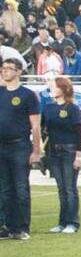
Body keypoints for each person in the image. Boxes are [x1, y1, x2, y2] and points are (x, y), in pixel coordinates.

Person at [0, 55, 41, 241]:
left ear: (18, 72)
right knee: (5, 189)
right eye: (3, 68)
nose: (4, 70)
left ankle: (23, 227)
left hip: (20, 145)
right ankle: (8, 226)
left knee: (21, 188)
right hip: (2, 146)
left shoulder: (27, 95)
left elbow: (35, 126)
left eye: (9, 68)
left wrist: (36, 150)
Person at [41, 76, 81, 234]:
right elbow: (43, 128)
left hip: (69, 149)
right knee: (61, 188)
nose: (52, 89)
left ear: (64, 89)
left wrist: (79, 154)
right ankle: (62, 221)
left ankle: (72, 222)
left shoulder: (72, 109)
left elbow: (78, 133)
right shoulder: (49, 108)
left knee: (70, 187)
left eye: (55, 86)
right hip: (53, 150)